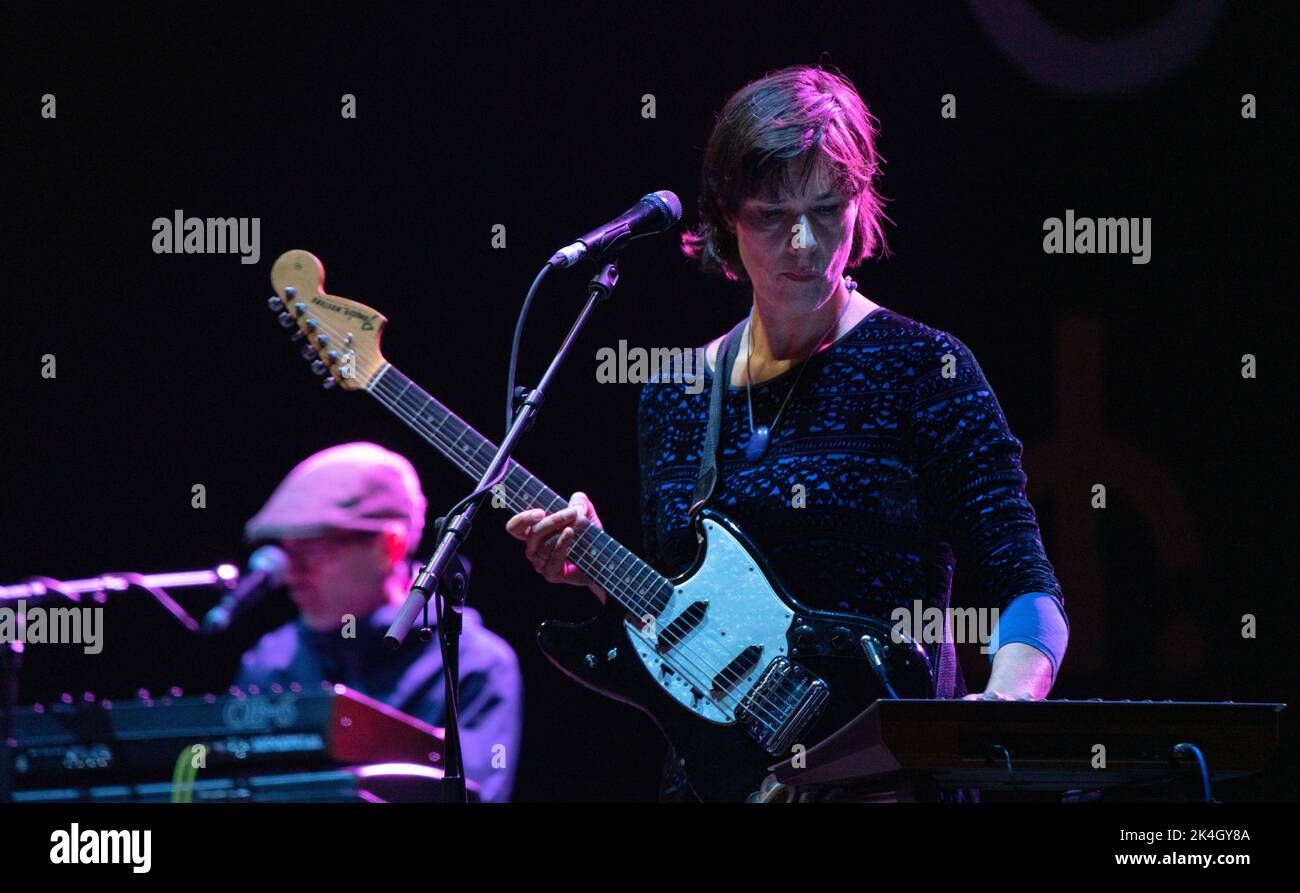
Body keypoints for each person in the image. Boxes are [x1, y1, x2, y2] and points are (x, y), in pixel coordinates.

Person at [506, 64, 1068, 801]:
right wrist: (597, 572)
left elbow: (1027, 585)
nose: (804, 242)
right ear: (723, 220)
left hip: (889, 781)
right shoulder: (675, 392)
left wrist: (1004, 705)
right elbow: (686, 637)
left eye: (828, 207)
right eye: (771, 214)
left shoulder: (926, 367)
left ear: (861, 207)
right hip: (724, 783)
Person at [237, 441, 523, 802]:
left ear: (389, 547)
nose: (292, 573)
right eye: (286, 551)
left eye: (312, 549)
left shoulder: (475, 664)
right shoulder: (270, 659)